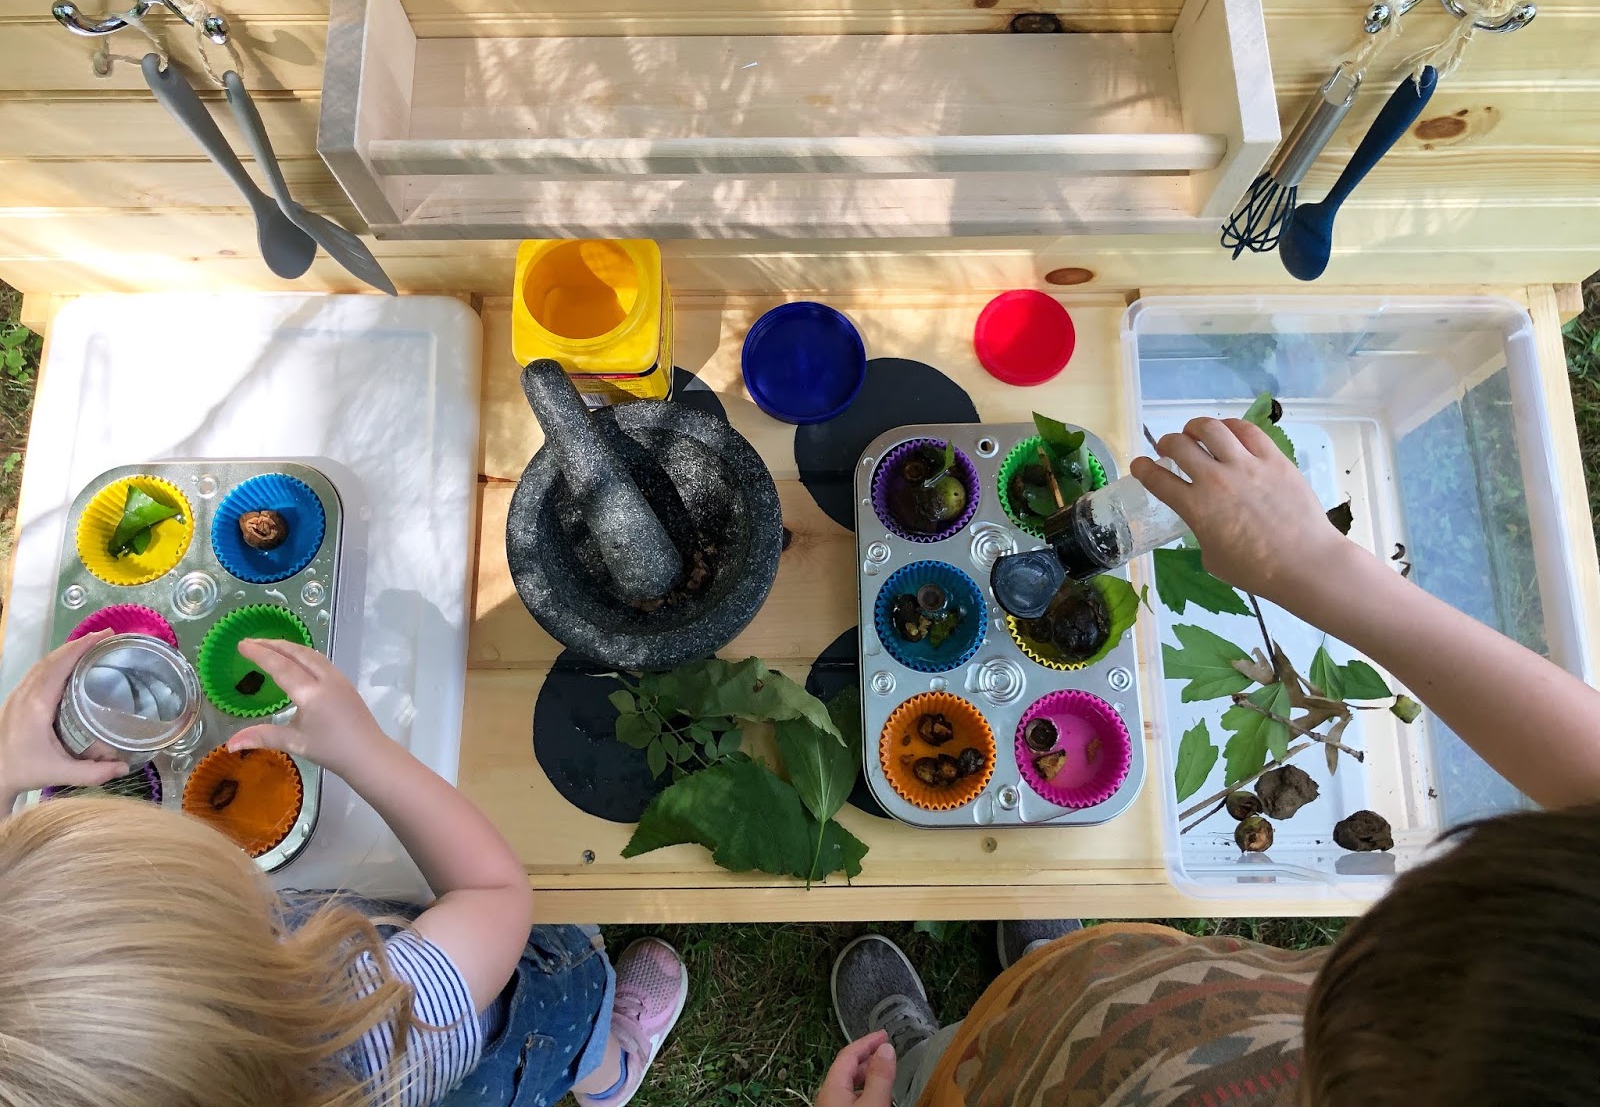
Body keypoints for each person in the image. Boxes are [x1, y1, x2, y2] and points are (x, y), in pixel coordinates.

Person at [818, 415, 1600, 1107]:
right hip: (1169, 989)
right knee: (1083, 977)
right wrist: (1313, 564)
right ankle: (1051, 963)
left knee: (960, 1070)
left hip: (1016, 1085)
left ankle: (916, 1062)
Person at [0, 635, 689, 1107]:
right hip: (500, 1021)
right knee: (570, 1017)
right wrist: (363, 749)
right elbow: (492, 892)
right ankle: (607, 1070)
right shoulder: (379, 1031)